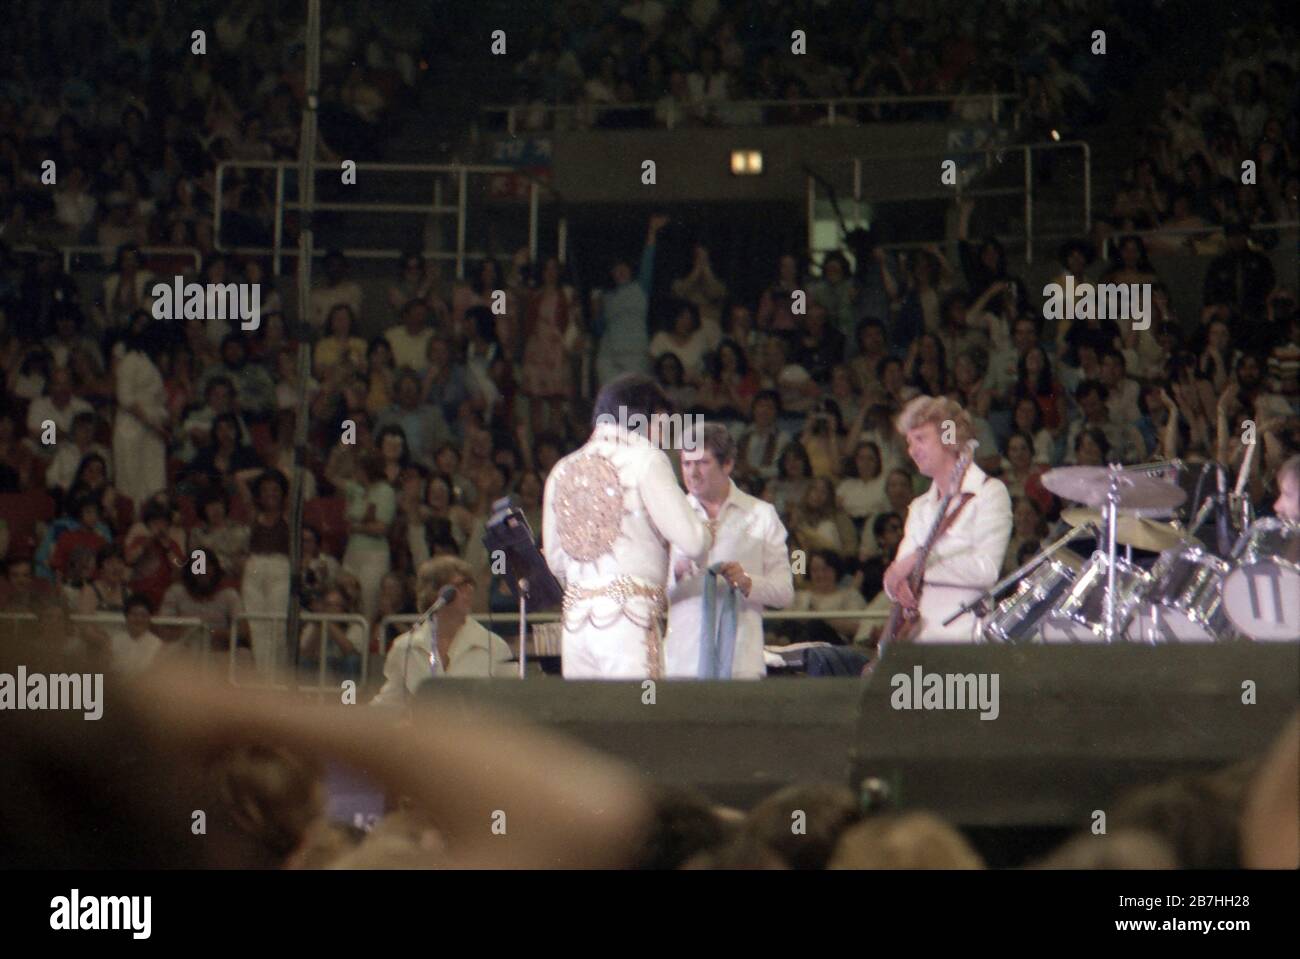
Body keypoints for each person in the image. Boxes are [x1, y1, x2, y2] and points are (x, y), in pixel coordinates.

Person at [542, 374, 711, 679]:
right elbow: (694, 541)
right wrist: (705, 522)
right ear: (644, 416)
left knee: (587, 724)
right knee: (639, 719)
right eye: (662, 421)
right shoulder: (646, 460)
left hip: (576, 624)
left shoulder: (561, 469)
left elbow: (555, 561)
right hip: (629, 618)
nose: (663, 433)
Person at [664, 424, 794, 679]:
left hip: (741, 660)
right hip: (682, 660)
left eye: (702, 463)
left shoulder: (762, 515)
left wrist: (748, 582)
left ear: (727, 465)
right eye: (686, 464)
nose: (693, 473)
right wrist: (674, 573)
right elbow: (650, 592)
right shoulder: (669, 516)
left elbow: (785, 592)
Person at [882, 395, 1012, 643]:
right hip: (916, 639)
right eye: (909, 442)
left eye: (920, 439)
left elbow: (986, 571)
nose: (912, 450)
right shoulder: (919, 506)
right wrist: (896, 580)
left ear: (949, 438)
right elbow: (897, 577)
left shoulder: (989, 493)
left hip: (963, 637)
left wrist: (920, 561)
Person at [371, 556, 513, 705]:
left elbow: (511, 700)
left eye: (470, 585)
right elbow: (389, 701)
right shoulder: (405, 647)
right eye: (460, 586)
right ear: (433, 593)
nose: (469, 591)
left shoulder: (493, 645)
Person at [112, 322, 169, 508]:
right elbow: (125, 398)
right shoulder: (130, 361)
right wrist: (151, 423)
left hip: (153, 432)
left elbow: (159, 401)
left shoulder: (152, 364)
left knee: (154, 481)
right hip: (131, 428)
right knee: (131, 481)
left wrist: (160, 423)